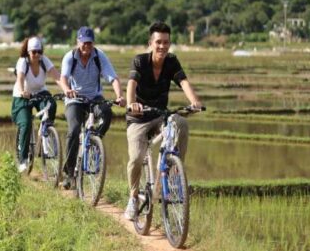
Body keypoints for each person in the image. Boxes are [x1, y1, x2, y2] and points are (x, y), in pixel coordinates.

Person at [124, 21, 202, 219]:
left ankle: (175, 172)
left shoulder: (171, 61)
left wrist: (194, 102)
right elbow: (131, 84)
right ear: (150, 43)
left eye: (166, 42)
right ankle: (133, 198)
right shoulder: (140, 61)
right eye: (158, 42)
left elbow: (183, 81)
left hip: (160, 115)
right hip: (138, 118)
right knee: (136, 158)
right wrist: (132, 103)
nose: (162, 46)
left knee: (181, 123)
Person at [60, 26, 126, 188]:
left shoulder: (99, 56)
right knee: (74, 130)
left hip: (95, 97)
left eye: (89, 43)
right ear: (77, 42)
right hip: (75, 99)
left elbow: (113, 77)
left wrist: (119, 96)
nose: (86, 47)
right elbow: (63, 77)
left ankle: (94, 141)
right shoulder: (70, 57)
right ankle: (69, 173)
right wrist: (67, 90)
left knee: (107, 113)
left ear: (93, 43)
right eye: (83, 43)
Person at [11, 36, 64, 172]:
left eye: (39, 52)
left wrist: (67, 90)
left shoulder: (44, 61)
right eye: (34, 52)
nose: (36, 55)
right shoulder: (23, 62)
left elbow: (56, 76)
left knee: (51, 104)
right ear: (28, 52)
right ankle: (23, 159)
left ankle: (45, 129)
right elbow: (20, 77)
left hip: (40, 92)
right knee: (26, 122)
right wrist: (23, 91)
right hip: (22, 95)